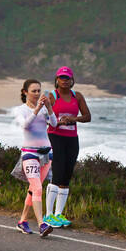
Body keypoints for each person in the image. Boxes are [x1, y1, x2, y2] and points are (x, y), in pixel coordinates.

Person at [43, 66, 91, 227]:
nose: (64, 81)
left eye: (67, 78)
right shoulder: (52, 96)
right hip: (55, 136)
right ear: (56, 80)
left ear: (72, 80)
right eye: (61, 78)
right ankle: (48, 215)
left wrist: (74, 119)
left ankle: (59, 215)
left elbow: (87, 117)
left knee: (66, 176)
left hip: (72, 139)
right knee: (57, 172)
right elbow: (45, 118)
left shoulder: (77, 96)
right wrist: (59, 122)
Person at [12, 79, 56, 237]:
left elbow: (54, 124)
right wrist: (37, 109)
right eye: (34, 91)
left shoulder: (44, 108)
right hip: (29, 153)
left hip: (46, 153)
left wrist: (49, 109)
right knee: (37, 188)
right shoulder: (20, 110)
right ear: (25, 92)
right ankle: (41, 224)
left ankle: (22, 221)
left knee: (33, 189)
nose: (37, 94)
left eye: (39, 91)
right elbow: (25, 125)